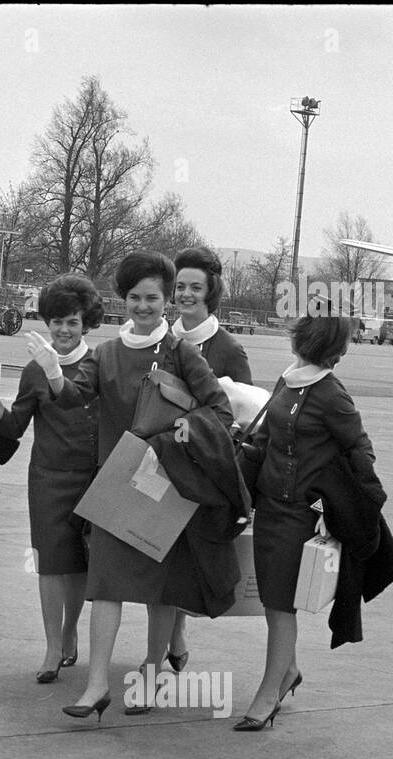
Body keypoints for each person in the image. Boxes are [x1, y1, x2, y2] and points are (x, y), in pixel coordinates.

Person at [26, 251, 234, 724]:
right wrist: (55, 373)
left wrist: (186, 427)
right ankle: (97, 684)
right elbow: (77, 397)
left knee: (162, 589)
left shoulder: (183, 353)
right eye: (136, 298)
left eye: (153, 298)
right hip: (117, 483)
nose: (144, 307)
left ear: (166, 301)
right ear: (124, 299)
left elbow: (218, 408)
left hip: (167, 484)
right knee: (105, 585)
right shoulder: (107, 353)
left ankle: (152, 671)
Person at [234, 310, 374, 730]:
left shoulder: (332, 395)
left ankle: (267, 694)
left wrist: (336, 507)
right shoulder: (289, 379)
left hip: (299, 517)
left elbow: (361, 455)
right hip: (269, 508)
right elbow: (266, 439)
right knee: (272, 602)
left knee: (279, 607)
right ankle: (288, 671)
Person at [0, 275, 103, 682]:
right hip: (47, 479)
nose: (63, 331)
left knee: (81, 565)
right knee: (49, 565)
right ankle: (52, 647)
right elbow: (14, 428)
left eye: (71, 322)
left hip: (90, 478)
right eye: (56, 322)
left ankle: (69, 633)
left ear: (86, 323)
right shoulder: (34, 371)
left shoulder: (98, 365)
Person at [164, 246, 254, 673]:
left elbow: (246, 417)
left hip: (203, 471)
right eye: (179, 286)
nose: (185, 294)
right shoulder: (161, 338)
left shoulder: (229, 350)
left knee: (186, 554)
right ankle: (168, 635)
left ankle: (176, 632)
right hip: (161, 461)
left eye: (194, 287)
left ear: (210, 292)